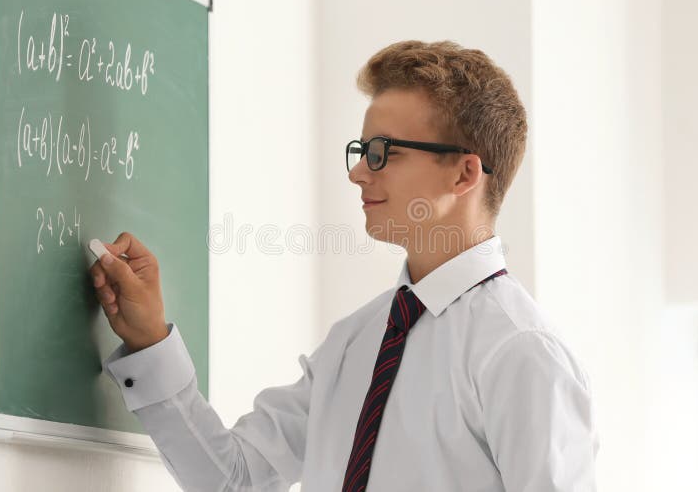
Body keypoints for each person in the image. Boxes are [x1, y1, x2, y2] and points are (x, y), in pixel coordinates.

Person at [90, 40, 599, 491]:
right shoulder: (355, 342)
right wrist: (150, 341)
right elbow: (234, 480)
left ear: (465, 174)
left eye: (382, 153)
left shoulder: (520, 353)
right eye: (360, 150)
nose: (358, 172)